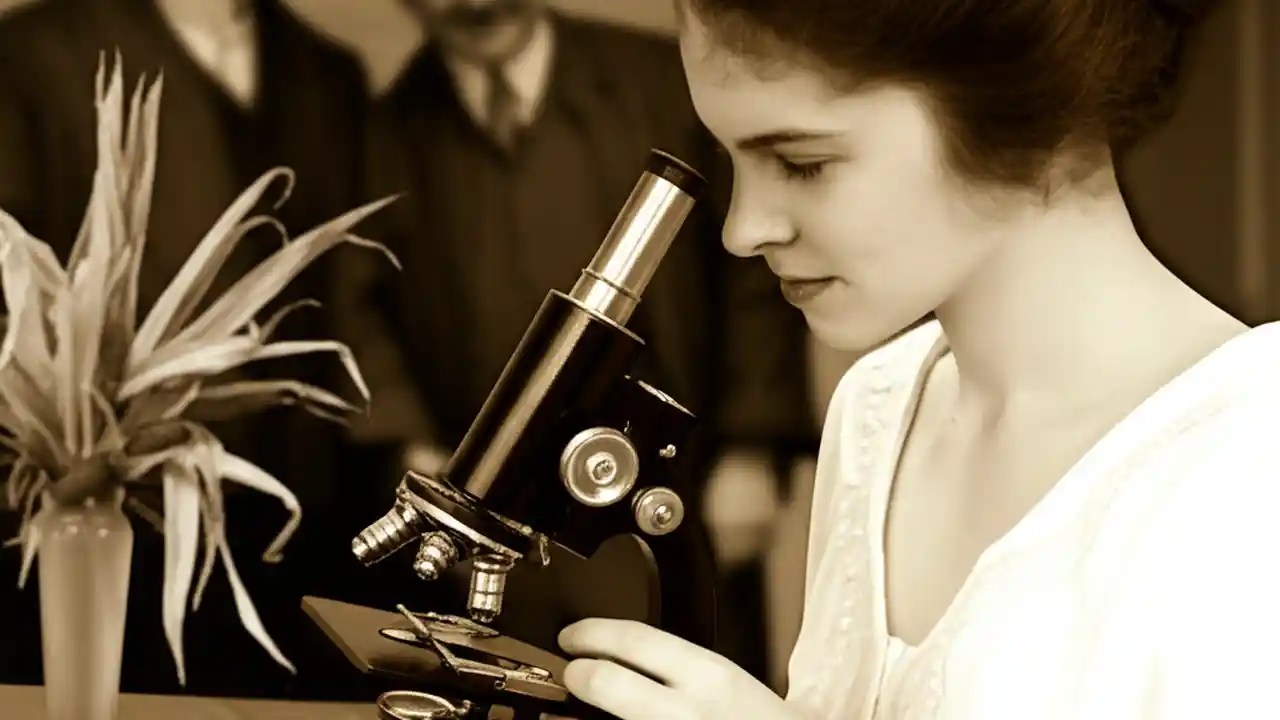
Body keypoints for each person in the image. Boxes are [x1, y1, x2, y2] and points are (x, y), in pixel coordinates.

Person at [553, 0, 1280, 718]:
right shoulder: (879, 404)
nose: (744, 229)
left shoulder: (1250, 468)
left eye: (802, 164)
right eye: (731, 158)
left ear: (1013, 104)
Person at [339, 0, 814, 673]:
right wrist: (412, 447)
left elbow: (749, 275)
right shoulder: (384, 131)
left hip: (671, 486)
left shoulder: (664, 79)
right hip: (499, 504)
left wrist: (753, 451)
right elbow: (359, 305)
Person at [0, 0, 369, 698]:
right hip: (100, 507)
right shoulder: (31, 53)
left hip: (294, 519)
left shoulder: (328, 72)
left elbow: (354, 292)